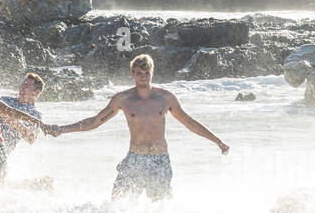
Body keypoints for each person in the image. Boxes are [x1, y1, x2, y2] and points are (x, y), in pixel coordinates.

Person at [44, 54, 228, 200]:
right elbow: (95, 121)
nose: (144, 77)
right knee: (118, 202)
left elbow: (189, 122)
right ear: (132, 74)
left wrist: (217, 141)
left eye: (147, 73)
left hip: (160, 160)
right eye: (139, 73)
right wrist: (62, 129)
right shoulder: (122, 99)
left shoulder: (165, 98)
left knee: (159, 208)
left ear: (152, 73)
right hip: (135, 159)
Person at [0, 72, 45, 155]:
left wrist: (18, 124)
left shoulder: (35, 114)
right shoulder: (5, 100)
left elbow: (31, 138)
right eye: (22, 85)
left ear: (36, 92)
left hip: (2, 152)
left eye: (26, 86)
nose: (21, 89)